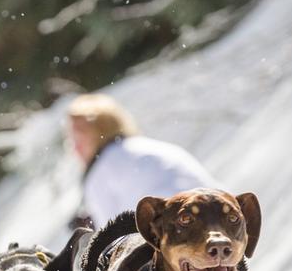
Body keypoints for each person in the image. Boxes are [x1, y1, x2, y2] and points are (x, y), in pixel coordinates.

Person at [66, 93, 218, 229]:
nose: (75, 149)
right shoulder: (152, 148)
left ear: (100, 131)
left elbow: (108, 240)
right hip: (220, 220)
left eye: (79, 138)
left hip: (177, 236)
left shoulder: (100, 170)